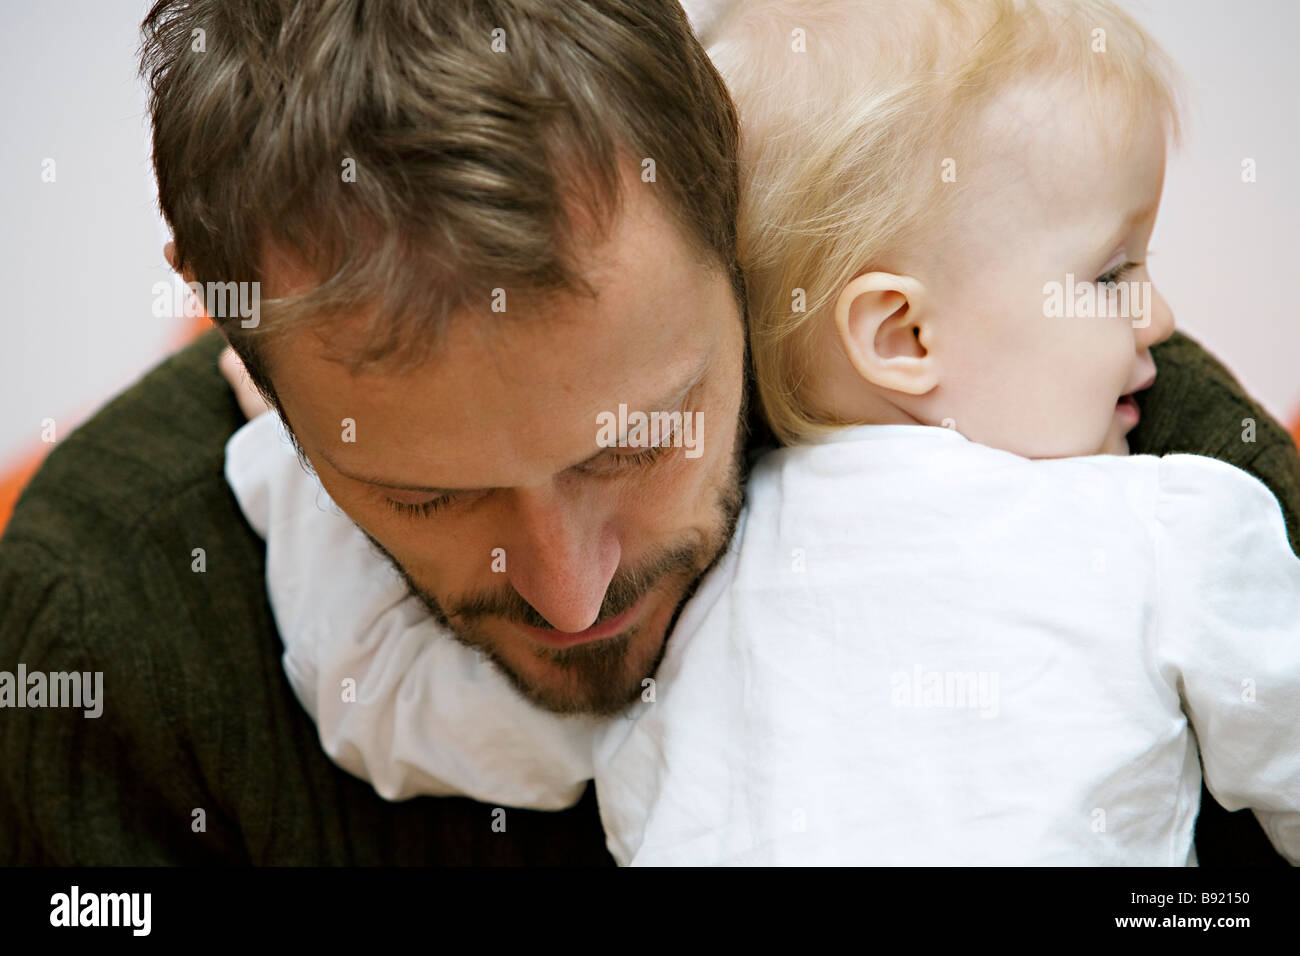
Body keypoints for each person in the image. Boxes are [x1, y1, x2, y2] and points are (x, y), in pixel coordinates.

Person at [0, 0, 1295, 865]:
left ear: (740, 225)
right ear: (247, 355)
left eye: (638, 441)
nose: (573, 598)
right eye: (428, 499)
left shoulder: (1096, 431)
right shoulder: (103, 627)